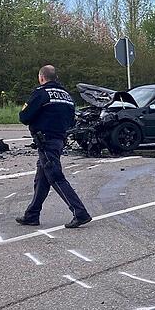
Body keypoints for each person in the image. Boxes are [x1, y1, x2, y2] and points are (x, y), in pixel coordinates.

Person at [15, 65, 91, 229]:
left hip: (46, 140)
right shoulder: (66, 95)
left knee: (56, 177)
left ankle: (80, 212)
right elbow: (72, 120)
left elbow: (24, 116)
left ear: (42, 77)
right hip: (59, 140)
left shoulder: (42, 93)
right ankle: (32, 215)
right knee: (42, 178)